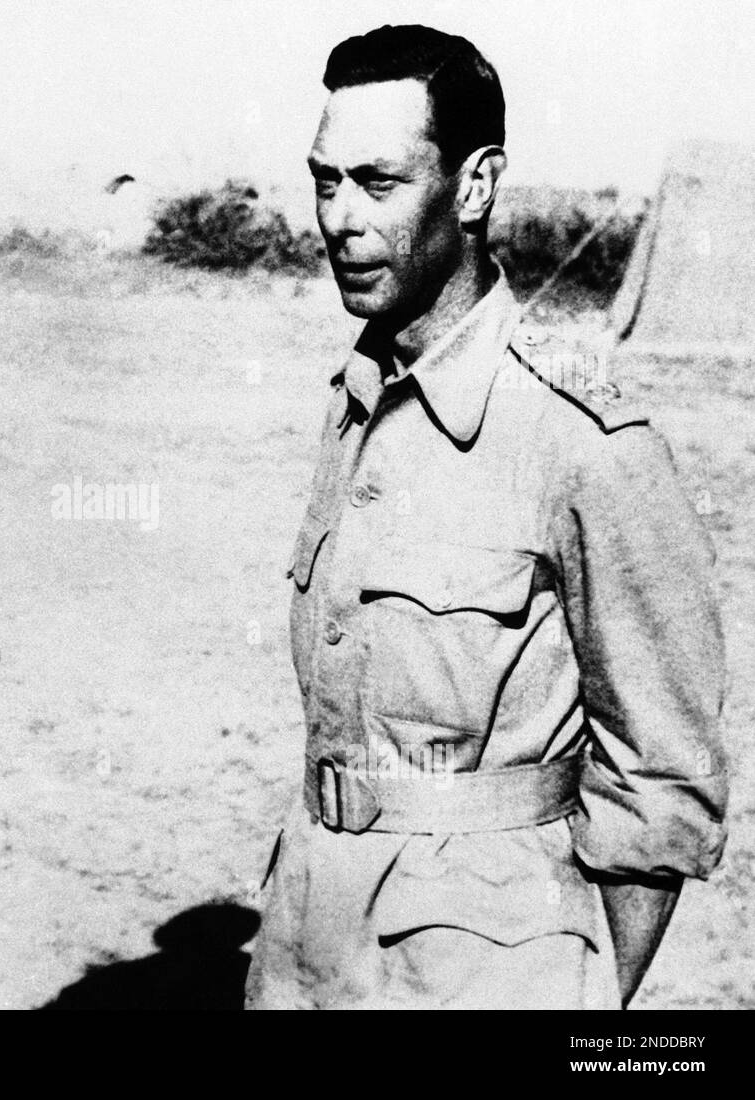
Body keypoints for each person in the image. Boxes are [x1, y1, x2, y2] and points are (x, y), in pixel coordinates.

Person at [244, 24, 727, 1009]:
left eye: (377, 183)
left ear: (472, 187)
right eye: (323, 180)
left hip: (488, 969)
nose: (339, 218)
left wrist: (579, 991)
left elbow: (661, 777)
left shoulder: (581, 433)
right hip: (307, 943)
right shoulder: (356, 399)